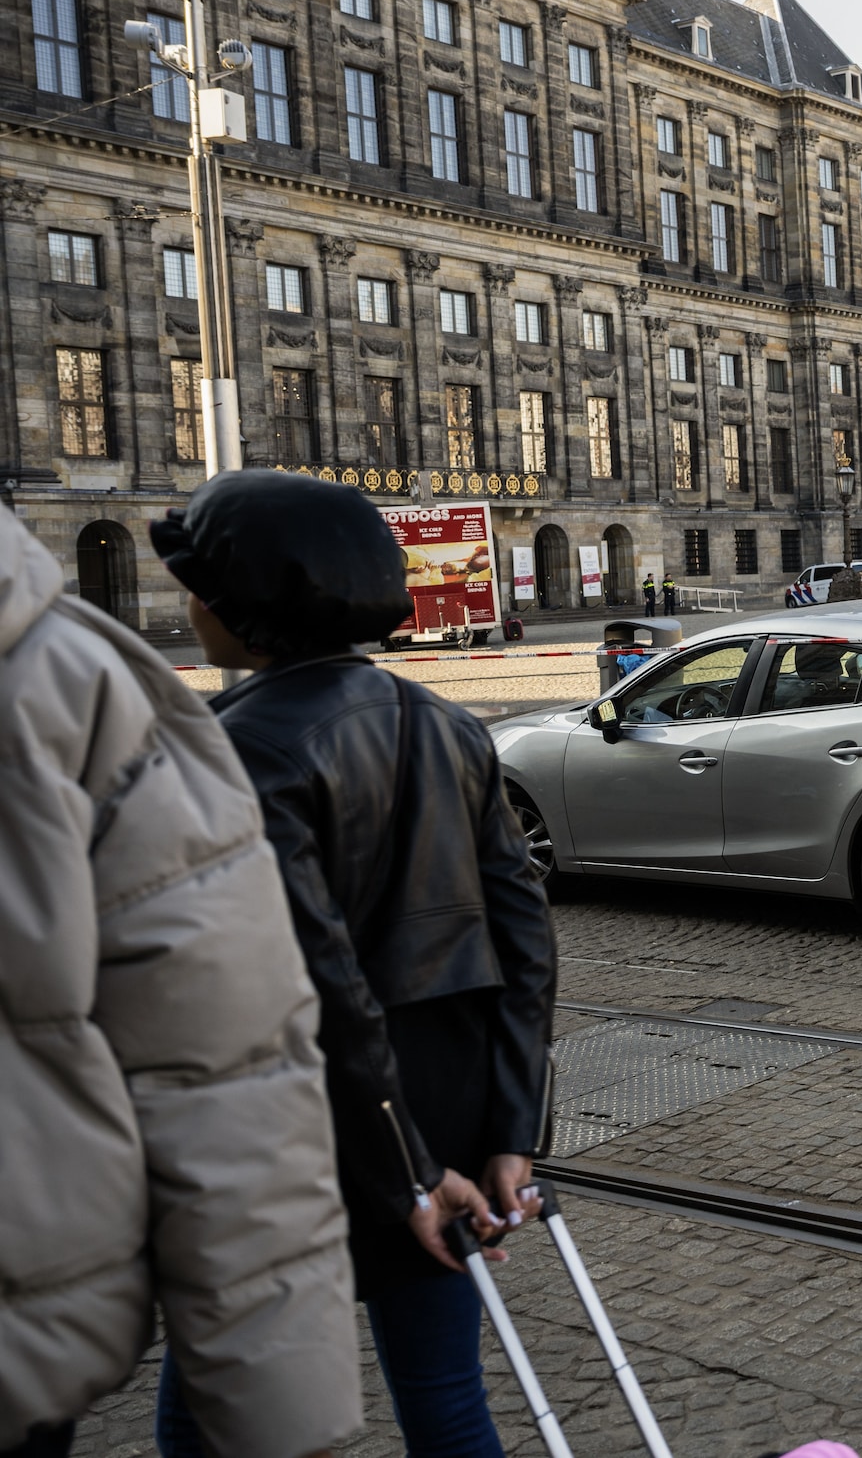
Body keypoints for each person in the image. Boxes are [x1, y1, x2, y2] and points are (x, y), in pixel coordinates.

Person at [150, 472, 557, 1456]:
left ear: (245, 604)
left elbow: (320, 982)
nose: (188, 604)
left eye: (199, 584)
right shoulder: (449, 725)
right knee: (446, 1395)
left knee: (210, 1416)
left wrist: (406, 1169)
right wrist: (507, 1131)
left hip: (305, 1131)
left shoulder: (239, 749)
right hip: (447, 1106)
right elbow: (525, 940)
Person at [0, 502, 361, 1458]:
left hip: (366, 1120)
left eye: (199, 587)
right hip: (381, 1129)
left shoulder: (231, 735)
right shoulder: (76, 681)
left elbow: (250, 1013)